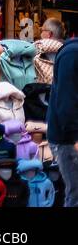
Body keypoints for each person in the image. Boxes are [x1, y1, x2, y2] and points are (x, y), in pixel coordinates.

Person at [46, 25, 78, 206]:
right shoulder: (72, 55)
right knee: (76, 194)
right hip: (68, 139)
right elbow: (66, 102)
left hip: (70, 134)